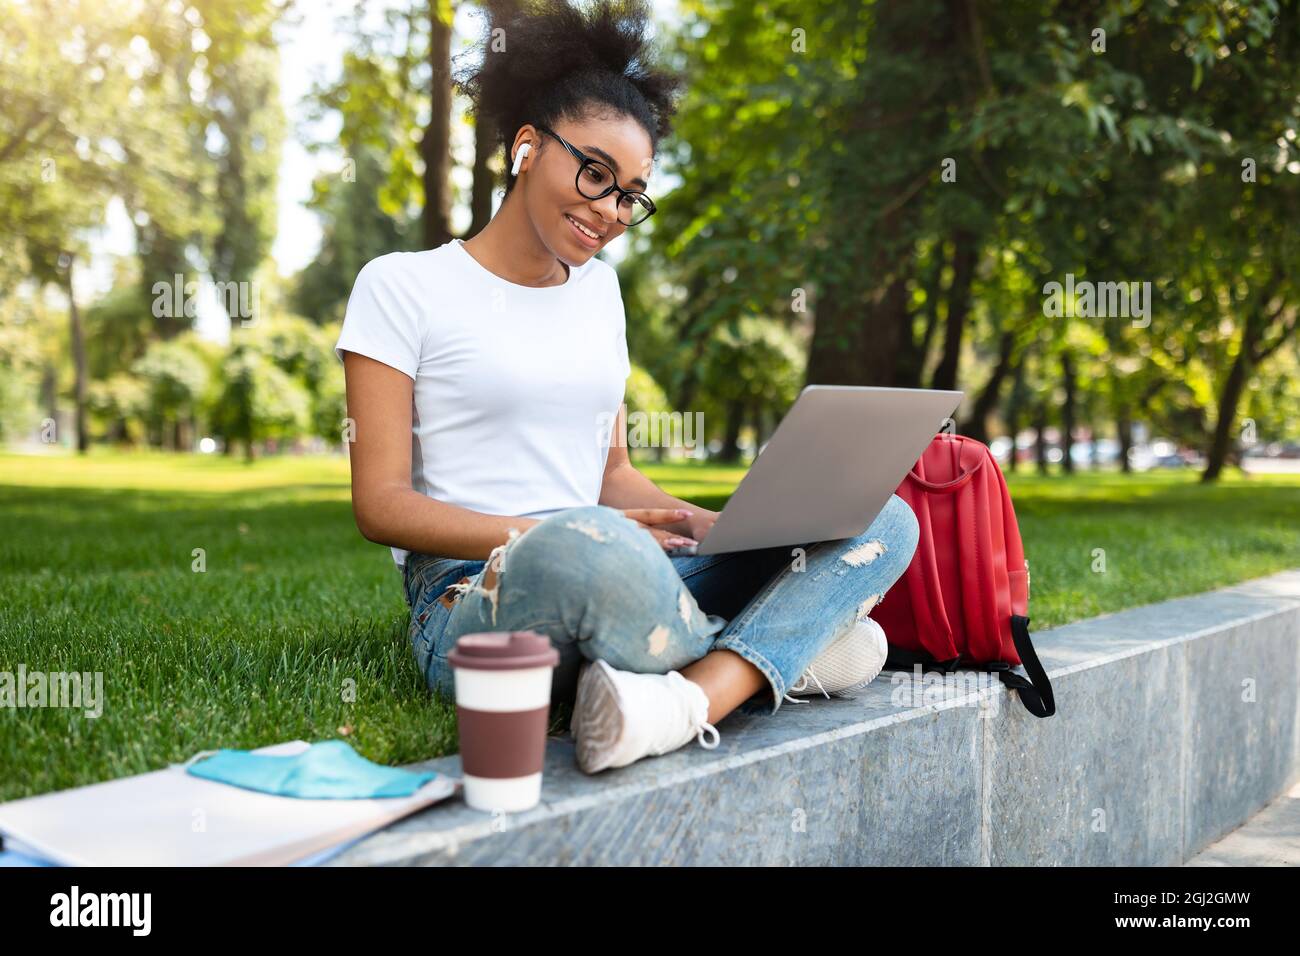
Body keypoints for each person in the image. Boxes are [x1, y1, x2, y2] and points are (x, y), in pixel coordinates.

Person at [335, 0, 919, 775]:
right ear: (525, 148)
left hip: (628, 567)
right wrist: (557, 535)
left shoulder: (599, 294)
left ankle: (682, 699)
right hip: (480, 596)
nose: (609, 211)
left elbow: (610, 477)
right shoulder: (402, 286)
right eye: (595, 173)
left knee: (885, 516)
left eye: (630, 194)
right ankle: (781, 651)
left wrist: (719, 527)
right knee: (598, 552)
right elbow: (382, 508)